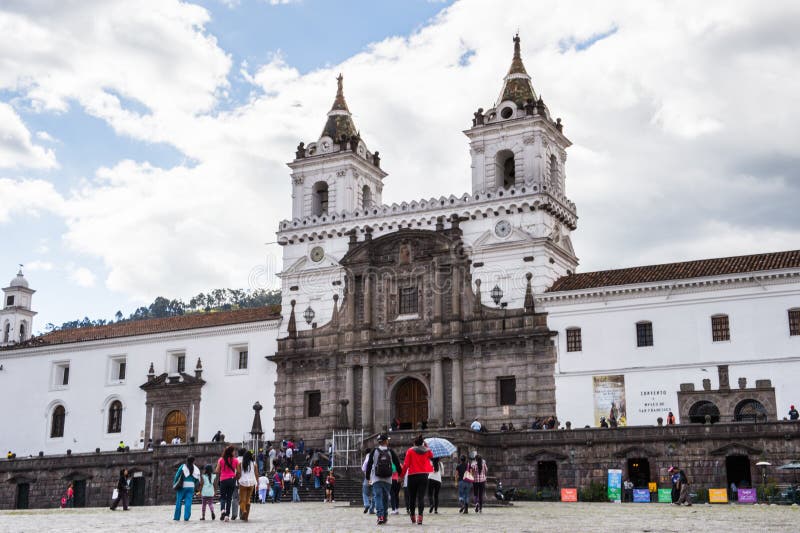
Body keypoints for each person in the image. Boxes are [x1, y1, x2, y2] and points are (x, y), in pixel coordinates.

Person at [365, 434, 402, 525]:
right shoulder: (390, 451)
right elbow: (397, 463)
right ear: (385, 441)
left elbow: (369, 464)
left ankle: (380, 516)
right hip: (388, 478)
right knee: (385, 497)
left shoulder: (374, 451)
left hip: (376, 478)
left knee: (378, 497)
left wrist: (367, 476)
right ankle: (384, 516)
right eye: (387, 440)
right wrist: (401, 475)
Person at [400, 434, 433, 525]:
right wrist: (426, 445)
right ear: (422, 442)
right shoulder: (426, 450)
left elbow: (406, 465)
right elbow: (431, 455)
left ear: (414, 443)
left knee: (412, 498)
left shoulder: (410, 451)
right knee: (421, 497)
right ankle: (420, 517)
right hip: (423, 476)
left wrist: (402, 476)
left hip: (412, 476)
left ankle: (413, 516)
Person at [215, 445, 239, 521]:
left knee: (223, 497)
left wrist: (223, 470)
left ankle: (222, 510)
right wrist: (236, 477)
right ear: (231, 452)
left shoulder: (221, 460)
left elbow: (217, 471)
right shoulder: (235, 460)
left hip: (223, 480)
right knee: (229, 498)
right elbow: (239, 471)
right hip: (232, 480)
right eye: (234, 451)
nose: (234, 452)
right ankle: (227, 516)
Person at [173, 455, 200, 521]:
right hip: (191, 487)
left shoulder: (183, 467)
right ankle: (186, 517)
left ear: (187, 460)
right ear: (193, 461)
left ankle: (177, 517)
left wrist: (175, 483)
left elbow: (177, 475)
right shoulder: (196, 468)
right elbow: (198, 479)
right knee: (188, 502)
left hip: (182, 486)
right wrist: (196, 488)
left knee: (179, 501)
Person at [237, 449, 258, 521]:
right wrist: (257, 483)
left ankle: (244, 511)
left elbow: (239, 474)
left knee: (242, 500)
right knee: (248, 499)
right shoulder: (254, 464)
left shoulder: (240, 463)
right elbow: (256, 474)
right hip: (251, 483)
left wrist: (237, 480)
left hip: (243, 482)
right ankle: (246, 517)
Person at [361, 448, 375, 514]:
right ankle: (371, 509)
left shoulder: (367, 459)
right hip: (374, 479)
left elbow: (363, 468)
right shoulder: (374, 457)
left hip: (367, 478)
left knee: (365, 493)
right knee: (374, 495)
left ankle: (367, 504)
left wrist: (366, 475)